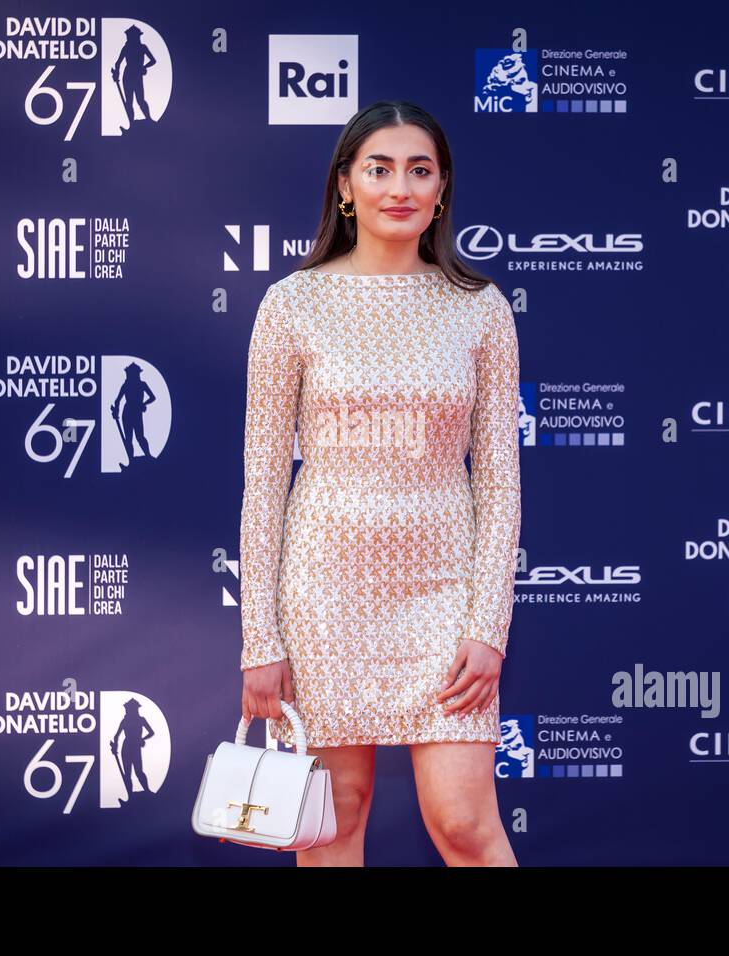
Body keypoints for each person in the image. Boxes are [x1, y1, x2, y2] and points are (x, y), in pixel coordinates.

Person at [238, 101, 521, 866]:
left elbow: (499, 481)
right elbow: (264, 482)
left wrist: (486, 626)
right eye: (380, 167)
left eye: (419, 170)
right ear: (345, 186)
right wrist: (260, 639)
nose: (400, 186)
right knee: (335, 818)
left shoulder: (481, 310)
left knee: (463, 821)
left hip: (443, 588)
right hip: (323, 591)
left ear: (441, 190)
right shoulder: (292, 305)